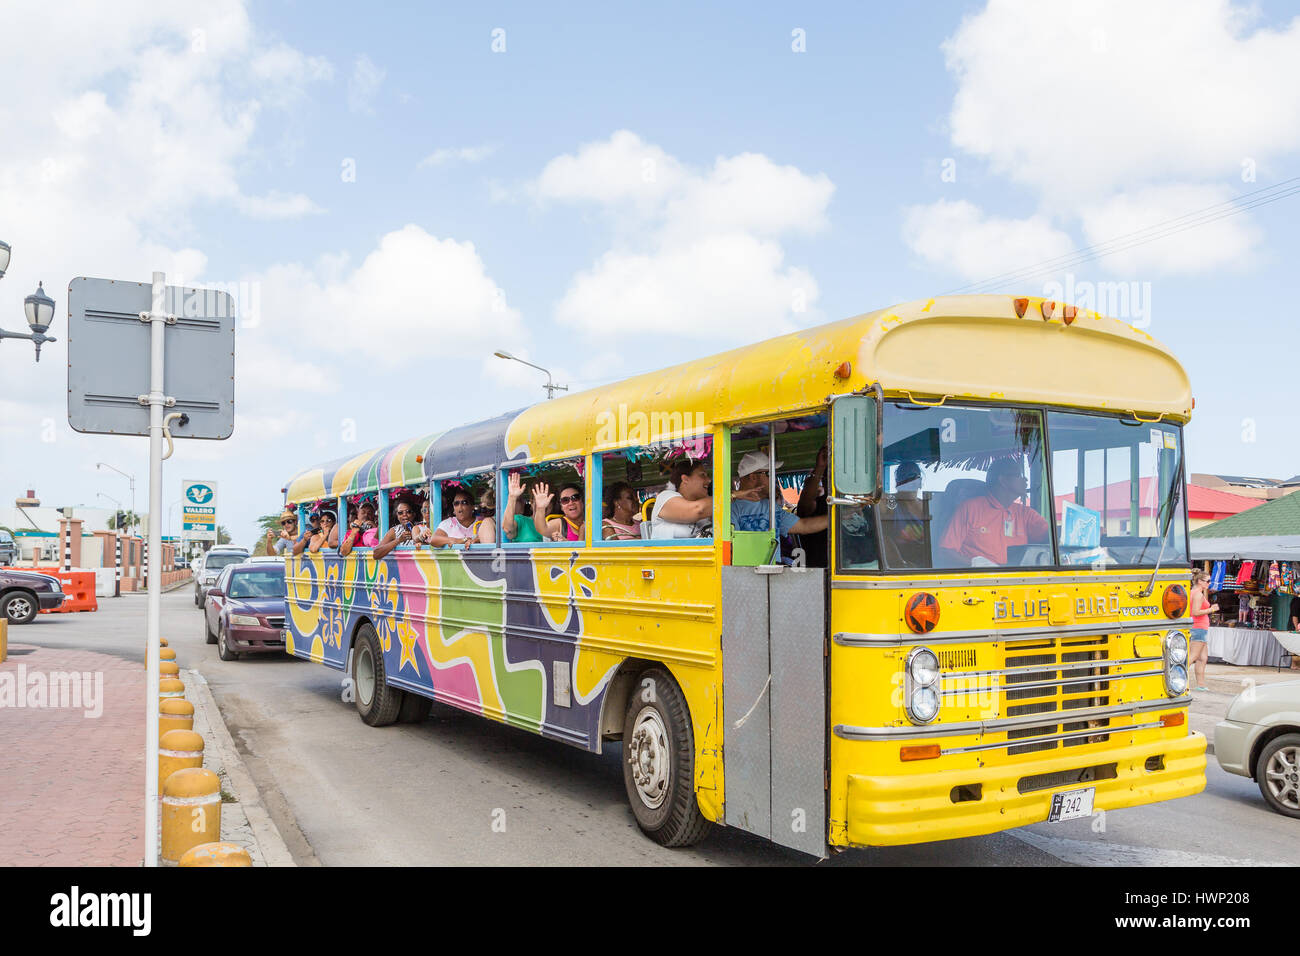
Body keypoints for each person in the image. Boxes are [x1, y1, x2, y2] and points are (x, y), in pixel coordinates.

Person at [936, 457, 1050, 567]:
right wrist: (974, 563)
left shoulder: (1026, 514)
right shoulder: (970, 508)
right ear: (1003, 480)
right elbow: (945, 552)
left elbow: (1052, 537)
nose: (1025, 480)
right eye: (1018, 475)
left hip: (1017, 580)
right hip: (979, 581)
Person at [730, 452, 827, 556]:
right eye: (769, 474)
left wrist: (836, 517)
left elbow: (803, 526)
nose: (773, 479)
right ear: (753, 477)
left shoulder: (770, 506)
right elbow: (732, 549)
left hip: (772, 570)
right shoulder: (731, 508)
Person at [652, 460, 722, 538]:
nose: (709, 480)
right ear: (685, 479)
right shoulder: (665, 497)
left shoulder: (703, 505)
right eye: (702, 475)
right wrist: (731, 495)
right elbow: (698, 510)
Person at [879, 461, 930, 568]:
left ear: (920, 482)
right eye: (906, 480)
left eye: (915, 479)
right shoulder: (890, 503)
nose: (911, 484)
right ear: (898, 484)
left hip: (931, 564)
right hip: (901, 567)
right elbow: (883, 537)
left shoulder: (927, 506)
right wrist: (901, 564)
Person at [794, 446, 829, 567]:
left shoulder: (858, 505)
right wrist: (820, 468)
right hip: (822, 568)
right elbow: (805, 502)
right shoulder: (820, 504)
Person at [1189, 570, 1218, 691]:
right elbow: (1195, 612)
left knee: (1202, 658)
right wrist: (1211, 609)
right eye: (1208, 581)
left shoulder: (1192, 592)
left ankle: (1201, 685)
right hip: (1198, 627)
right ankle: (1174, 677)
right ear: (1200, 581)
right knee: (1193, 656)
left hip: (1199, 627)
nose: (1209, 583)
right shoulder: (1198, 595)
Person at [502, 473, 545, 543]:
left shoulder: (556, 522)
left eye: (549, 499)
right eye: (540, 498)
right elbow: (507, 529)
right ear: (532, 501)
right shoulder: (521, 520)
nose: (544, 503)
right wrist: (512, 498)